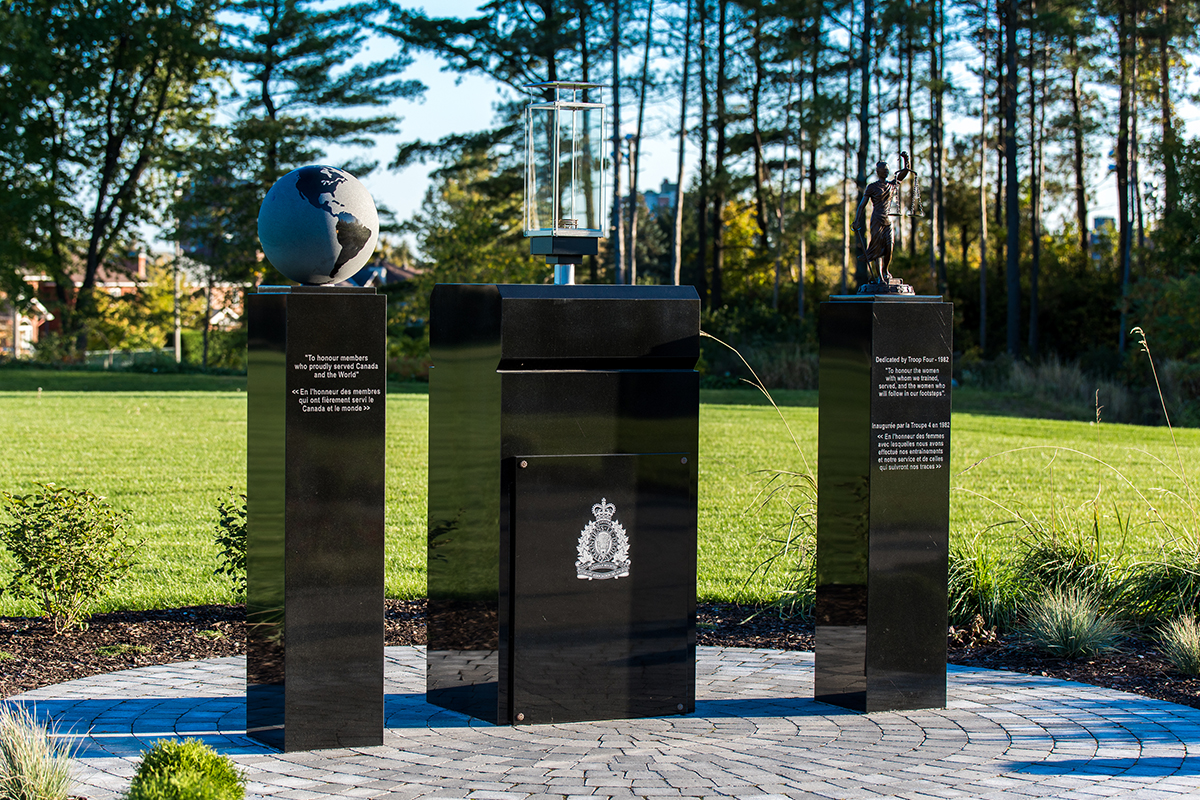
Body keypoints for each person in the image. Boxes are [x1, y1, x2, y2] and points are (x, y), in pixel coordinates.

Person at [853, 151, 912, 285]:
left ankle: (885, 271)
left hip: (887, 221)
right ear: (878, 171)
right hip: (876, 220)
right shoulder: (872, 187)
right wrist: (857, 220)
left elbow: (904, 173)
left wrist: (906, 160)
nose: (886, 172)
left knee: (889, 248)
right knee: (877, 249)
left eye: (887, 170)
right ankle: (879, 276)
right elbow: (862, 205)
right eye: (883, 170)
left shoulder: (891, 185)